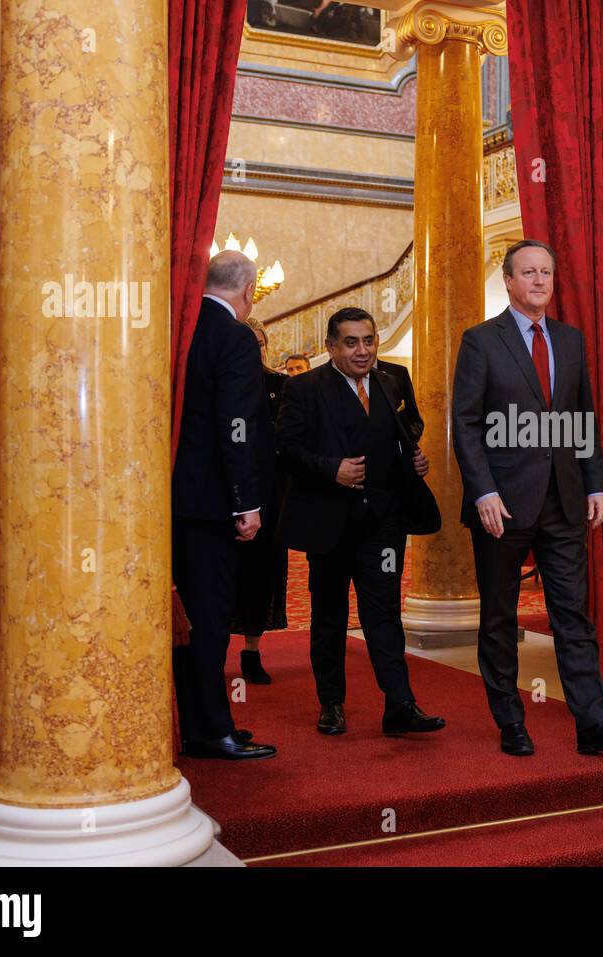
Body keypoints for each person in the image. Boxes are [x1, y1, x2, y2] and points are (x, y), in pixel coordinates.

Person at [451, 239, 603, 757]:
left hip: (564, 500)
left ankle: (592, 724)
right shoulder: (481, 341)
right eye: (528, 273)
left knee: (571, 615)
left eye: (547, 273)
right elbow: (465, 424)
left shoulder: (570, 340)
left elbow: (584, 417)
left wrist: (595, 482)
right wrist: (483, 490)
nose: (539, 281)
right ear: (509, 282)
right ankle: (511, 723)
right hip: (502, 504)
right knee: (500, 617)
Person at [276, 306, 445, 737]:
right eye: (351, 342)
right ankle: (331, 703)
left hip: (383, 526)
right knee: (329, 617)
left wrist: (414, 461)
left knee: (384, 615)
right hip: (329, 525)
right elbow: (285, 449)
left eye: (368, 340)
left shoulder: (392, 381)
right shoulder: (304, 389)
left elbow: (407, 431)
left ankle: (400, 705)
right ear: (331, 347)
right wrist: (331, 468)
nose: (362, 350)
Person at [171, 251, 277, 760]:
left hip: (179, 499)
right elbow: (236, 427)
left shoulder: (184, 328)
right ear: (250, 289)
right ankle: (212, 730)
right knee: (211, 621)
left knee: (191, 618)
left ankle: (197, 723)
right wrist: (246, 502)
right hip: (214, 503)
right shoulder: (233, 336)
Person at [231, 316, 290, 685]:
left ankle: (252, 652)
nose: (252, 352)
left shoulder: (279, 385)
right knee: (224, 579)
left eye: (257, 345)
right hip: (226, 498)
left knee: (261, 577)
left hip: (270, 498)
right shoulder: (221, 383)